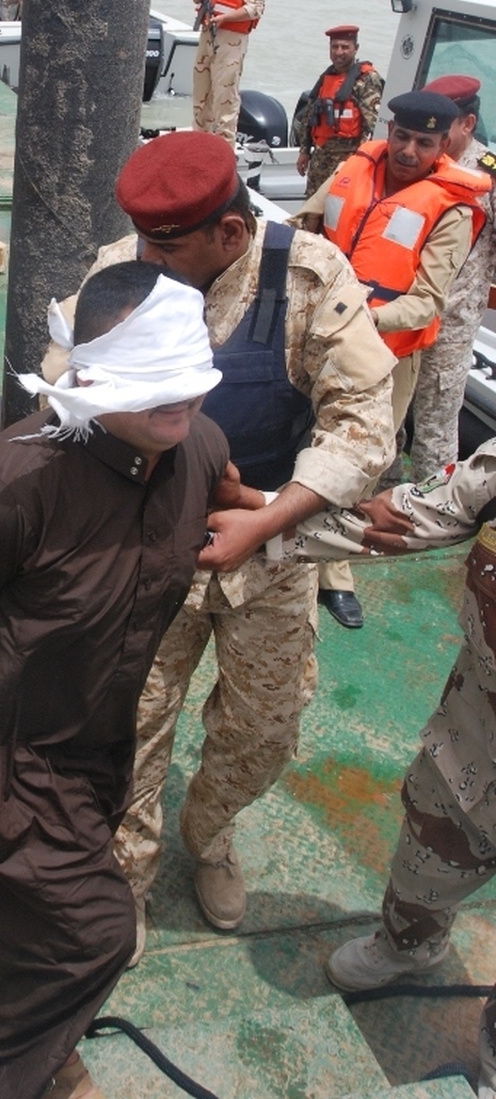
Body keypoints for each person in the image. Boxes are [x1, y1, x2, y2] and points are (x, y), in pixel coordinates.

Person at [43, 132, 395, 943]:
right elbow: (62, 374)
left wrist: (265, 518)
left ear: (228, 235)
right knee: (131, 716)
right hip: (149, 536)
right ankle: (122, 875)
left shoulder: (309, 278)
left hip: (271, 544)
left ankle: (210, 831)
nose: (142, 255)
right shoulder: (121, 266)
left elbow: (365, 428)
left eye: (163, 244)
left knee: (263, 728)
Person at [0, 261, 232, 1099]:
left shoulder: (196, 450)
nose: (179, 403)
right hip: (3, 744)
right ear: (89, 374)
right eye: (153, 383)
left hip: (99, 731)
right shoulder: (13, 485)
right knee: (98, 930)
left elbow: (219, 493)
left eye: (189, 381)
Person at [265, 445, 496, 1099]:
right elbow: (395, 517)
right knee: (427, 852)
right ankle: (409, 943)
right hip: (473, 745)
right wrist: (259, 524)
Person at [295, 90, 488, 628]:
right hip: (314, 333)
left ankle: (335, 572)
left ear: (444, 144)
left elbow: (426, 301)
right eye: (401, 136)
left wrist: (357, 318)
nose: (407, 150)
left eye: (423, 143)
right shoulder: (357, 168)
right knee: (296, 439)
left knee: (362, 460)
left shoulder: (451, 207)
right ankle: (285, 545)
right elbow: (304, 227)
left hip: (384, 351)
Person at [408, 75, 496, 480]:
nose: (435, 134)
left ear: (468, 123)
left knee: (437, 419)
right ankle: (380, 494)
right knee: (386, 408)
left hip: (452, 322)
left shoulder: (488, 176)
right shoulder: (421, 162)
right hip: (404, 308)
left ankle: (430, 502)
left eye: (446, 126)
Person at [192, 0, 267, 144]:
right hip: (208, 36)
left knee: (225, 95)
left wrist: (225, 18)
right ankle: (198, 142)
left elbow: (255, 8)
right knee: (201, 93)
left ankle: (224, 147)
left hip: (231, 41)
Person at [294, 24, 383, 195]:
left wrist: (362, 163)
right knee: (312, 211)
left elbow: (373, 124)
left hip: (348, 162)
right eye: (335, 47)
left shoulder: (366, 80)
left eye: (345, 47)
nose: (339, 52)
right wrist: (304, 151)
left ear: (355, 49)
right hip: (320, 161)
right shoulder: (327, 77)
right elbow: (309, 117)